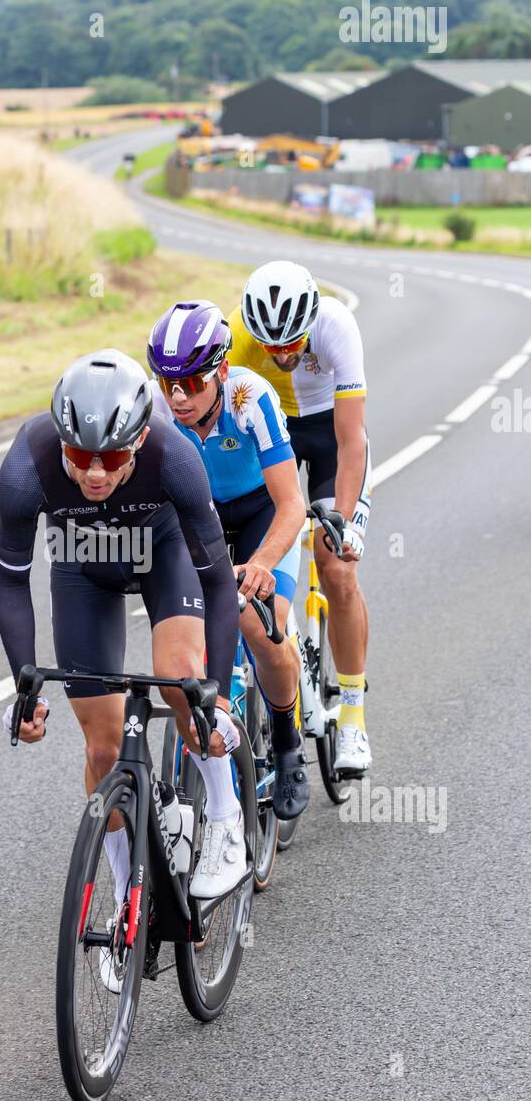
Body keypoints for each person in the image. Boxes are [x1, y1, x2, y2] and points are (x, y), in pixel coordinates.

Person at [0, 348, 246, 909]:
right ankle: (126, 899)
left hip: (163, 550)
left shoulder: (173, 456)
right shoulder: (25, 467)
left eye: (112, 457)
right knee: (104, 752)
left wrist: (220, 697)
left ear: (139, 439)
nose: (95, 473)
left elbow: (220, 583)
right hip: (82, 563)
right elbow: (11, 581)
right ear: (60, 439)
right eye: (80, 455)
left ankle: (227, 820)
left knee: (180, 680)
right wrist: (24, 686)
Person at [146, 299, 310, 823]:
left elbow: (292, 504)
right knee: (189, 645)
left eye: (192, 383)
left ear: (221, 370)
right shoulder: (154, 411)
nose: (178, 397)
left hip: (261, 510)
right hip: (204, 520)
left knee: (264, 631)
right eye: (167, 382)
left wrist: (262, 562)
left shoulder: (250, 397)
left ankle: (286, 745)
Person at [226, 261, 372, 774]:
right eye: (273, 347)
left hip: (330, 435)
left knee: (336, 565)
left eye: (292, 343)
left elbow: (352, 439)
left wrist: (346, 521)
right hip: (275, 433)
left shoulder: (335, 325)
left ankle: (352, 718)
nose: (284, 354)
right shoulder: (241, 338)